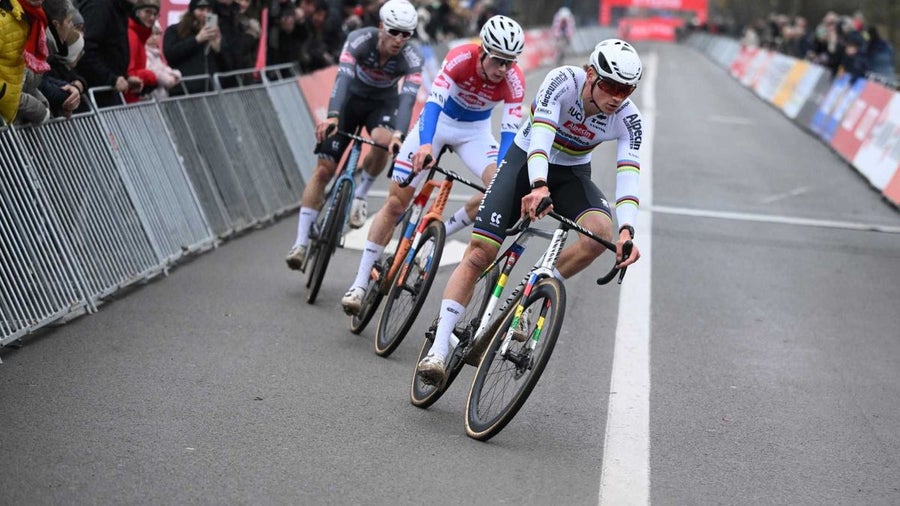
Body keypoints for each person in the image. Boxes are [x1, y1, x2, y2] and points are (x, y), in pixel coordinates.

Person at [416, 39, 645, 385]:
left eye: (626, 90)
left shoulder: (628, 119)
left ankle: (535, 288)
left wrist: (628, 230)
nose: (617, 97)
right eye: (611, 86)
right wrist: (538, 185)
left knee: (600, 232)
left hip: (570, 173)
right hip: (525, 161)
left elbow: (629, 171)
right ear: (590, 75)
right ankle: (438, 351)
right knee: (480, 254)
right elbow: (541, 138)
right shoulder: (562, 82)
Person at [340, 14, 526, 315]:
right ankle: (360, 283)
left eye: (510, 62)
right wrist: (425, 144)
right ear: (482, 52)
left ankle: (440, 233)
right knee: (396, 203)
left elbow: (508, 135)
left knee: (502, 185)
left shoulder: (514, 80)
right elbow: (433, 105)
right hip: (438, 124)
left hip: (474, 133)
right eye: (498, 61)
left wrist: (503, 174)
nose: (503, 69)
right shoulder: (459, 59)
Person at [284, 0, 422, 270]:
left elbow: (407, 99)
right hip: (350, 99)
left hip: (383, 103)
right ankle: (300, 241)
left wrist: (399, 134)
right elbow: (343, 79)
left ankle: (360, 195)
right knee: (324, 170)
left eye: (406, 34)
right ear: (381, 26)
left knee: (383, 143)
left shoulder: (412, 57)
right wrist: (333, 116)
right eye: (394, 31)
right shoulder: (359, 39)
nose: (399, 39)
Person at [75, 0, 144, 105]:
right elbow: (85, 51)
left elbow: (111, 50)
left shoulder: (120, 8)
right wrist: (111, 79)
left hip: (106, 92)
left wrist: (123, 78)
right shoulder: (99, 6)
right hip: (90, 96)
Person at [162, 0, 223, 95]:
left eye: (209, 10)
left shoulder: (215, 32)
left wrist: (218, 49)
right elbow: (170, 54)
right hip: (183, 91)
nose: (205, 14)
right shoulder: (174, 30)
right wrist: (196, 40)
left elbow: (228, 65)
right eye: (201, 9)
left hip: (210, 91)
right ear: (192, 11)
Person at [125, 0, 160, 102]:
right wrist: (151, 76)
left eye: (155, 14)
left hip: (131, 99)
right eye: (148, 12)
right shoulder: (132, 35)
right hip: (126, 101)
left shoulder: (139, 36)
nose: (152, 17)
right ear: (137, 12)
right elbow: (129, 74)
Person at [145, 21, 182, 99]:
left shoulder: (156, 52)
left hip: (159, 97)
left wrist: (175, 74)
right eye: (151, 34)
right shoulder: (143, 52)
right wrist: (167, 79)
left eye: (157, 34)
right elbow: (151, 70)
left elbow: (162, 67)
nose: (154, 37)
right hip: (149, 98)